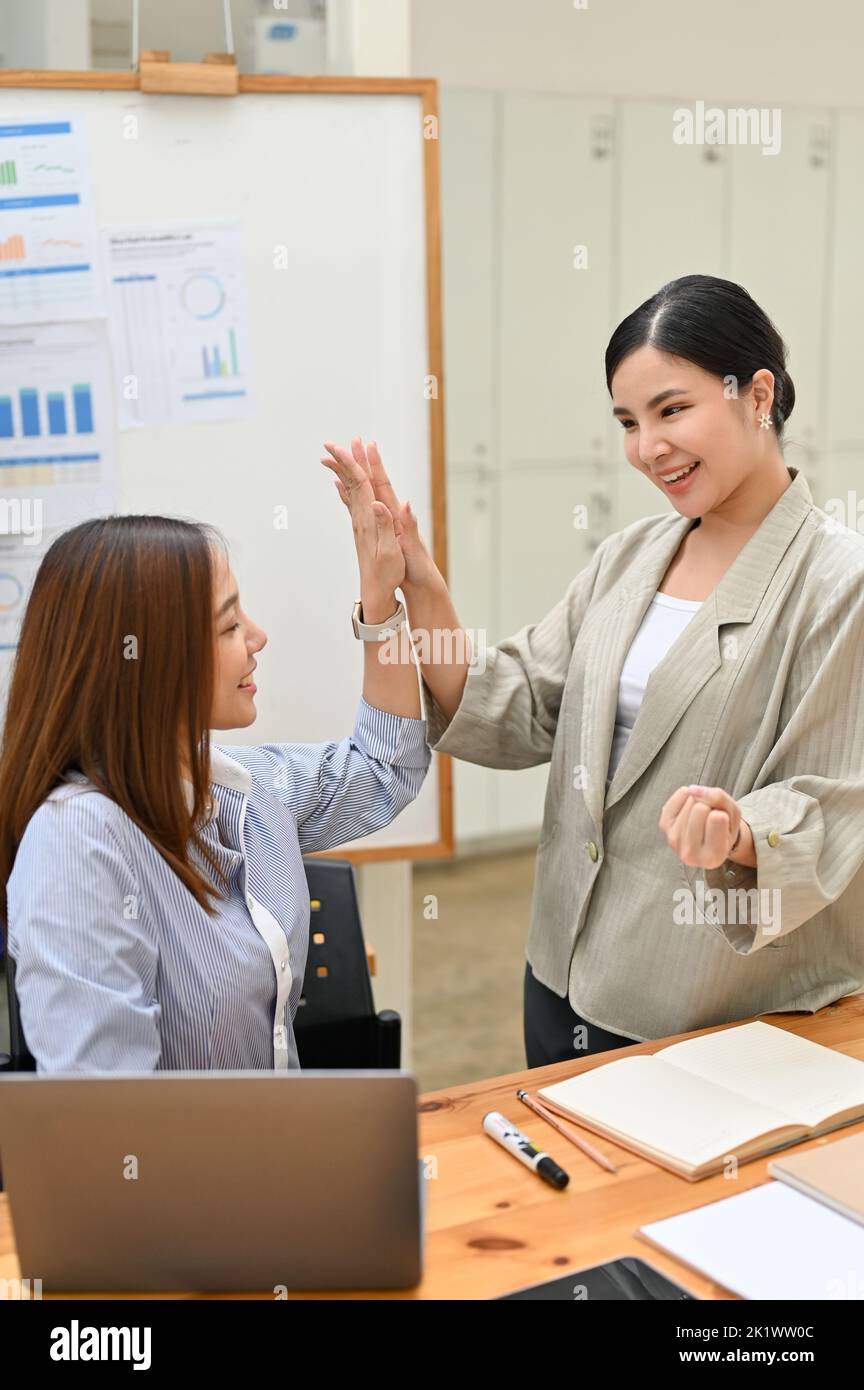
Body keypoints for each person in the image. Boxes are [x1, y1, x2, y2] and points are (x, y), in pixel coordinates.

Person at [322, 274, 864, 1067]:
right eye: (628, 421)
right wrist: (420, 585)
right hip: (564, 975)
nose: (648, 448)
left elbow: (837, 800)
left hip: (718, 1004)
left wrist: (743, 831)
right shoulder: (632, 556)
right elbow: (519, 704)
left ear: (757, 395)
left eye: (672, 410)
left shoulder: (838, 583)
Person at [0, 491, 429, 1072]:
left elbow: (383, 769)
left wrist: (382, 599)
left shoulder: (235, 788)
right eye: (229, 624)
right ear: (148, 658)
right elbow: (113, 1122)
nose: (257, 637)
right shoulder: (76, 843)